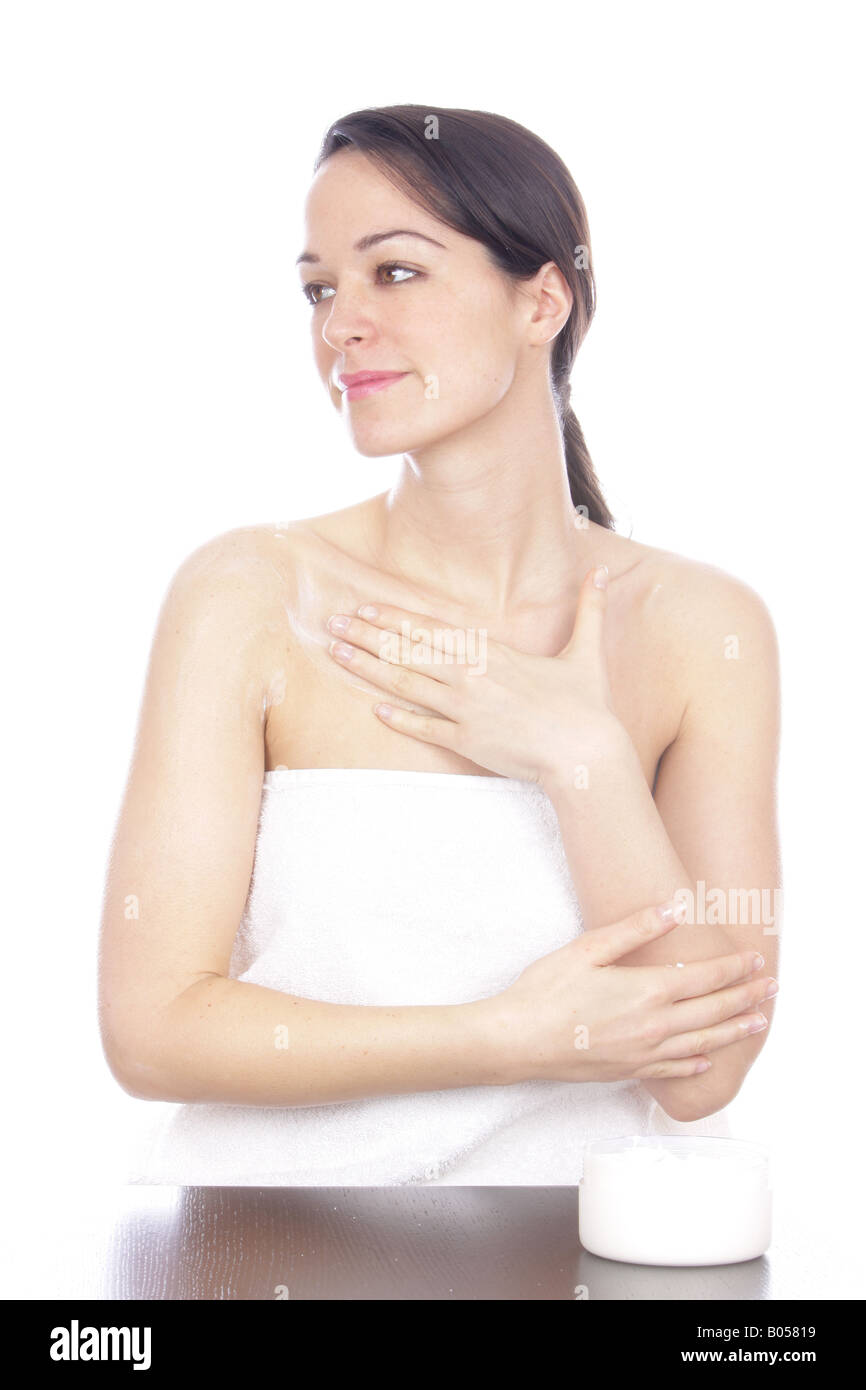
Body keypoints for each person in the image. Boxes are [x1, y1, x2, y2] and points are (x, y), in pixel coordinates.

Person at [98, 105, 780, 1185]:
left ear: (540, 298)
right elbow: (153, 1028)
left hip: (580, 1252)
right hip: (274, 1242)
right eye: (320, 288)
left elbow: (702, 1072)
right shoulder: (249, 593)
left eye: (395, 273)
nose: (340, 325)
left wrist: (581, 758)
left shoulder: (703, 626)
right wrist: (509, 1035)